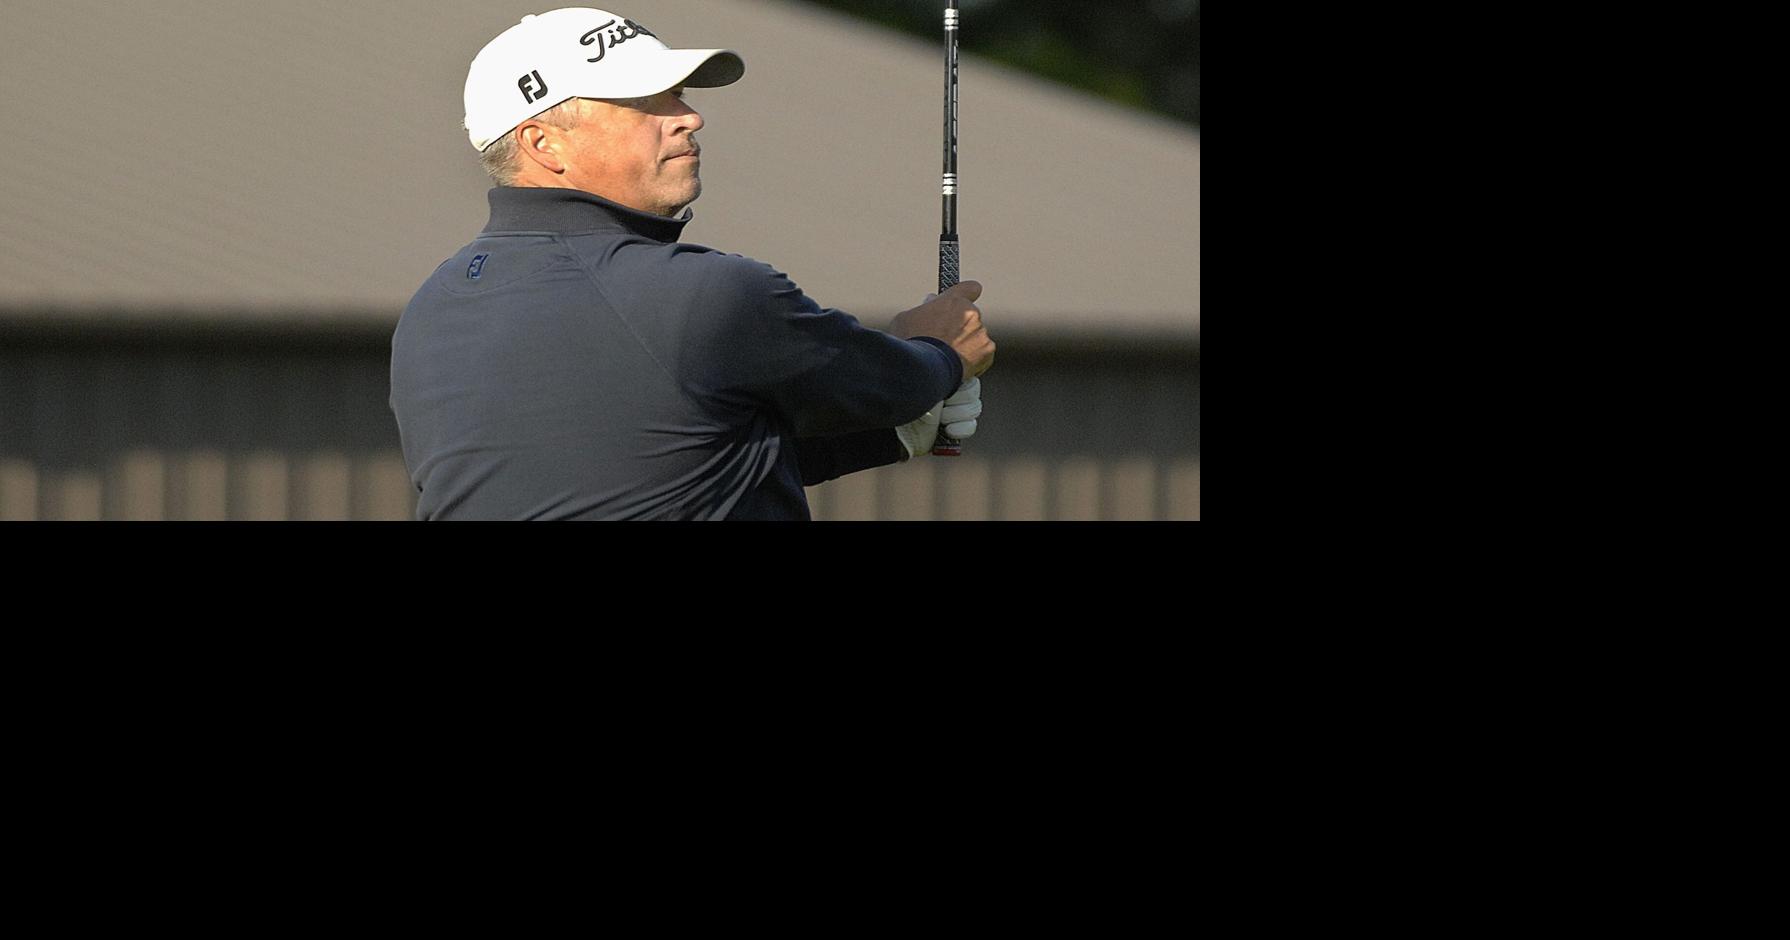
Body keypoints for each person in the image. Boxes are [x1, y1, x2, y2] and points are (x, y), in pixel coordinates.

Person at [389, 7, 994, 520]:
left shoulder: (429, 312)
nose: (688, 116)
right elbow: (898, 384)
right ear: (543, 143)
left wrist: (892, 436)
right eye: (641, 100)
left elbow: (659, 465)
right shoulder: (710, 293)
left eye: (677, 94)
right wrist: (941, 350)